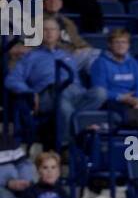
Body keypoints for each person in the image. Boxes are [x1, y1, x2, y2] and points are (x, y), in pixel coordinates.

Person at [4, 16, 107, 146]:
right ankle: (66, 145)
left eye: (52, 29)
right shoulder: (30, 56)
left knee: (100, 92)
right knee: (63, 102)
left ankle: (72, 131)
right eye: (45, 29)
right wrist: (29, 92)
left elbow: (77, 80)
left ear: (58, 34)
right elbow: (11, 80)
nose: (49, 32)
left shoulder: (67, 55)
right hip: (47, 94)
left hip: (74, 92)